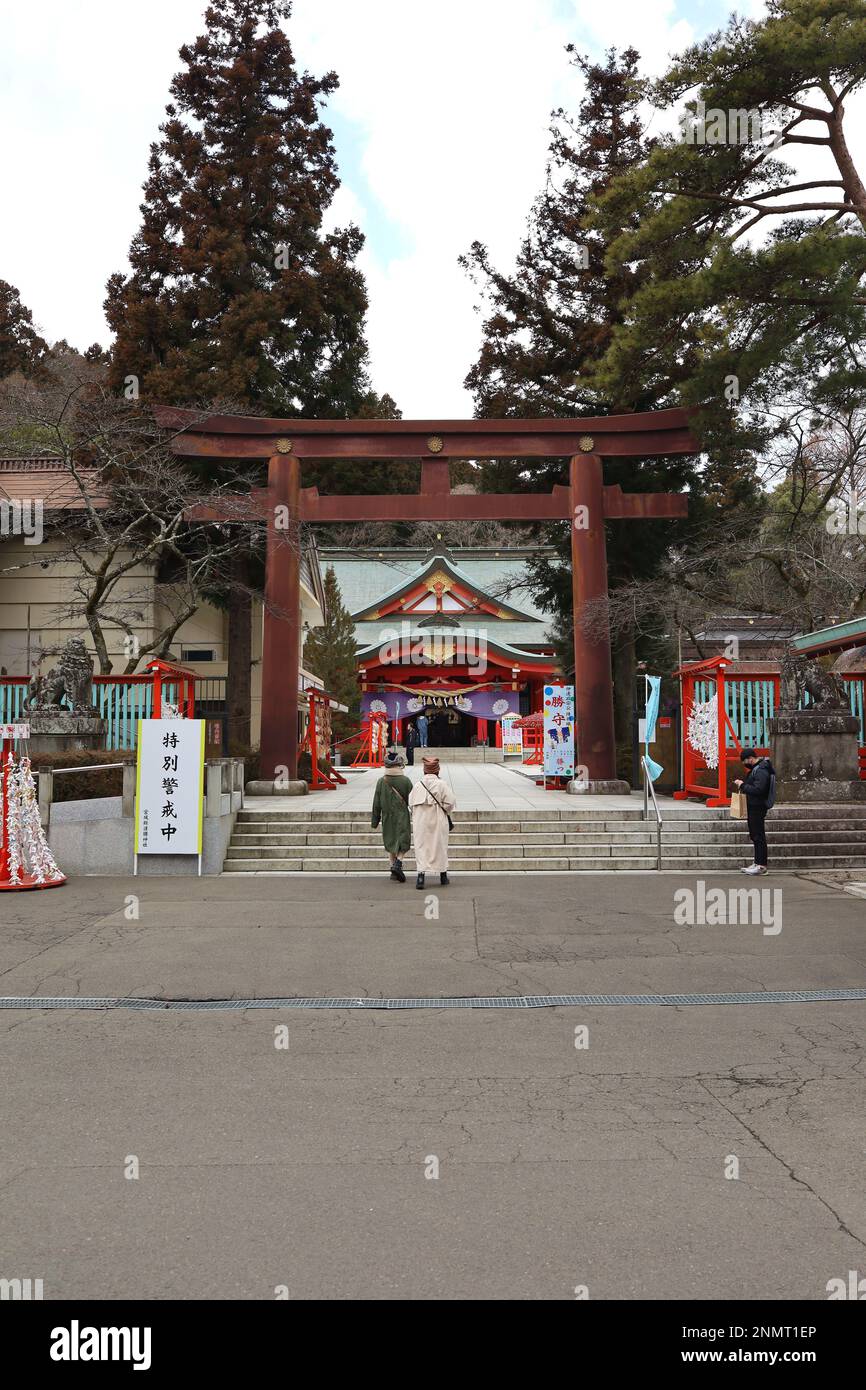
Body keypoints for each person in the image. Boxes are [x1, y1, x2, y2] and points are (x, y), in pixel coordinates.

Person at [408, 755, 456, 890]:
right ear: (437, 770)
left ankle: (421, 876)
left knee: (421, 847)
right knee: (440, 846)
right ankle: (443, 875)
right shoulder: (442, 784)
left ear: (424, 770)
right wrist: (443, 810)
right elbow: (450, 802)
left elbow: (410, 803)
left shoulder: (417, 785)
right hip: (438, 820)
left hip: (421, 822)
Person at [371, 749, 412, 883]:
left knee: (390, 841)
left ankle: (393, 868)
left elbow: (376, 803)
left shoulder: (381, 781)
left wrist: (375, 820)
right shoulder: (405, 781)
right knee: (403, 842)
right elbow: (412, 800)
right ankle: (398, 863)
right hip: (402, 815)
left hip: (387, 816)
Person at [734, 748, 777, 875]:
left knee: (758, 836)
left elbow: (759, 789)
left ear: (750, 759)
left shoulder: (761, 770)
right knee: (755, 835)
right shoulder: (758, 769)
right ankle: (757, 862)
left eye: (745, 762)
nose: (745, 764)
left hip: (758, 806)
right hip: (754, 806)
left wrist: (742, 785)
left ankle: (761, 866)